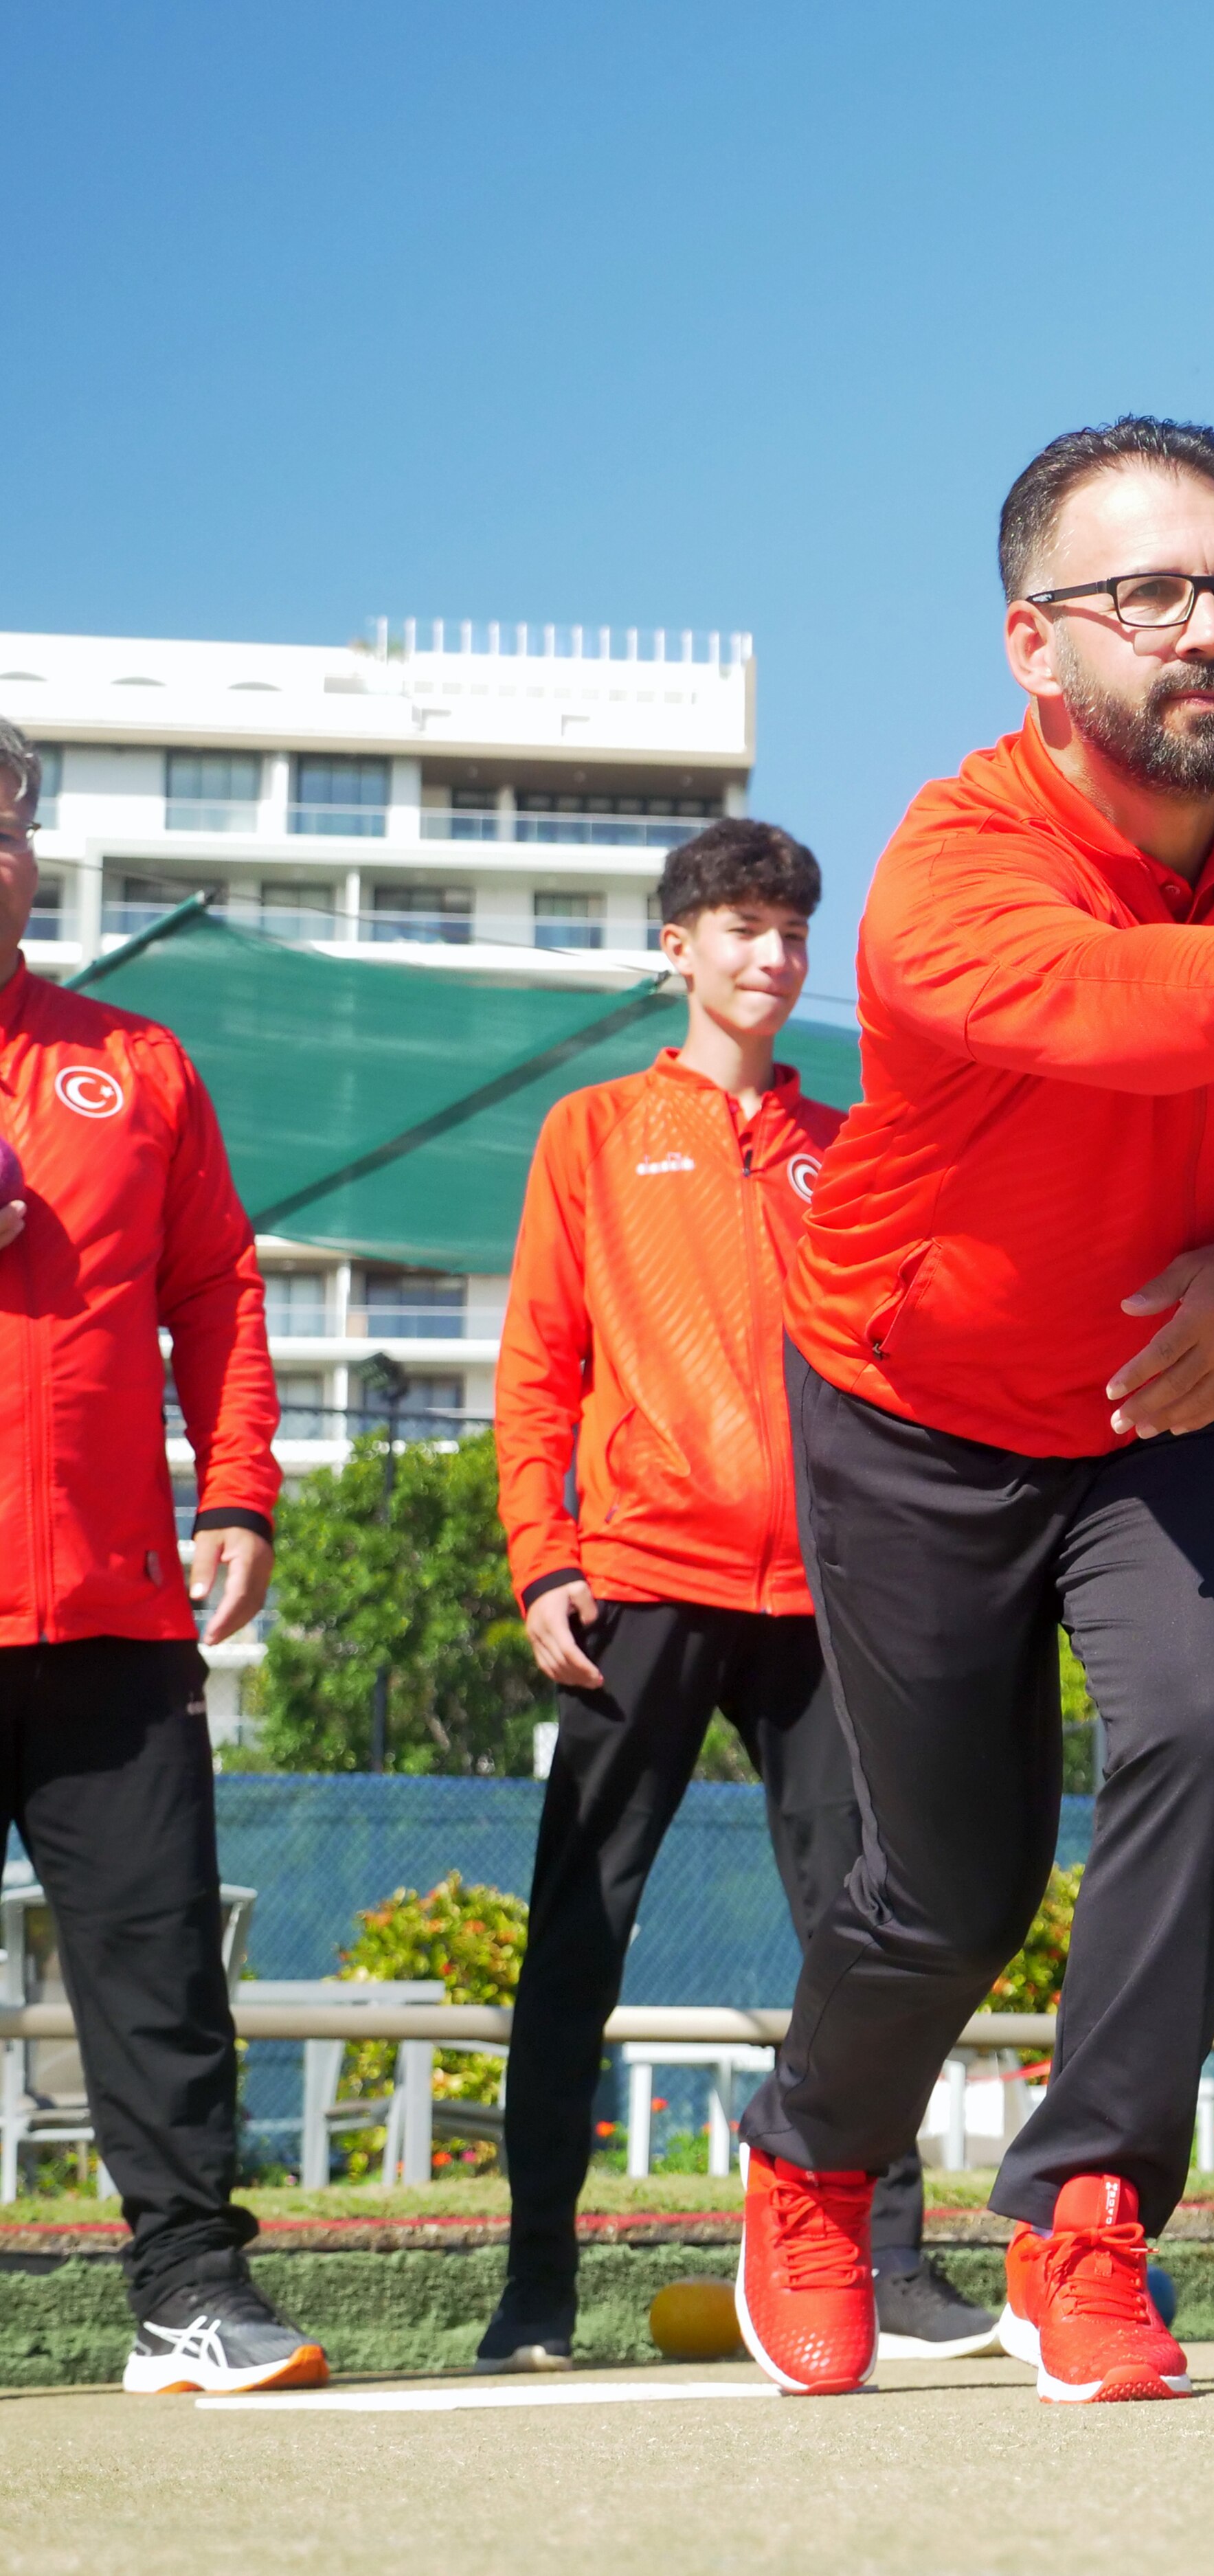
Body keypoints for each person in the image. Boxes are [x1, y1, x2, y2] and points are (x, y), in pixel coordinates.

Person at [728, 418, 1214, 2402]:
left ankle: (1087, 2212)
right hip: (914, 1403)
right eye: (1152, 592)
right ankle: (812, 2154)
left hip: (1190, 1391)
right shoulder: (950, 864)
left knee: (1213, 1724)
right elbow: (1102, 1007)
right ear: (1035, 640)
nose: (1210, 628)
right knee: (954, 1891)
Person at [481, 821, 989, 2369]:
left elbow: (907, 1361)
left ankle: (888, 2263)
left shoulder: (854, 1141)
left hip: (830, 1599)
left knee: (869, 1930)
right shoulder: (591, 1131)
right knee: (580, 1928)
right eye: (743, 929)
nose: (773, 956)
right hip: (640, 1578)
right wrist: (543, 1554)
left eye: (792, 932)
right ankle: (536, 2286)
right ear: (679, 948)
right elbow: (536, 1363)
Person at [0, 717, 317, 2393]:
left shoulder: (136, 1063)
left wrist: (237, 1493)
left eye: (5, 820)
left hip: (115, 1615)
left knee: (161, 1971)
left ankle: (190, 2292)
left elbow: (216, 1292)